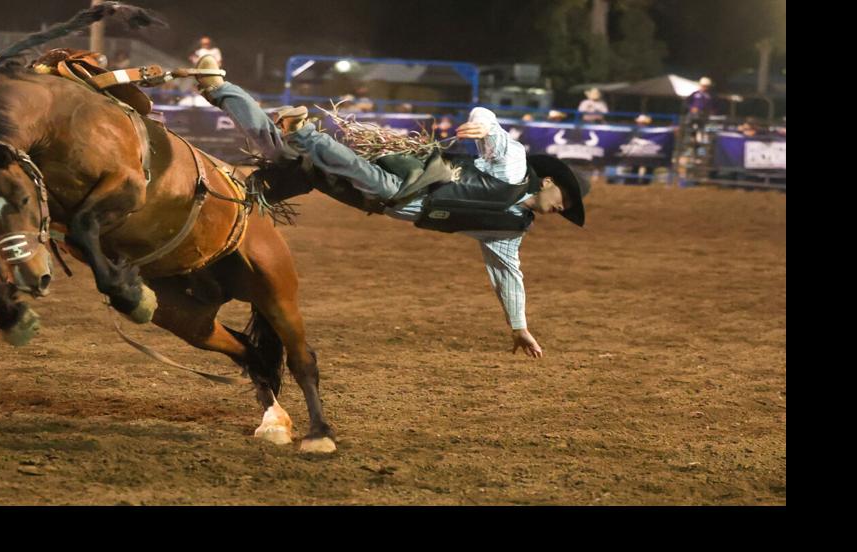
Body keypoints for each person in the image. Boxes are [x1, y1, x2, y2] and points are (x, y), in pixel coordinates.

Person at [195, 59, 586, 359]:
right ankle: (307, 132)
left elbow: (507, 275)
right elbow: (489, 119)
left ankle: (221, 89)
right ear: (550, 182)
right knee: (377, 182)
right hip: (408, 179)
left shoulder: (510, 228)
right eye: (564, 201)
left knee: (283, 156)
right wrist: (482, 125)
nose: (560, 209)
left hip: (376, 201)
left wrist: (518, 327)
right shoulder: (515, 164)